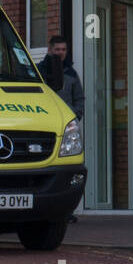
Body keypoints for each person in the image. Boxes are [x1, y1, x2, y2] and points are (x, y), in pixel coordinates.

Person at [48, 35, 83, 222]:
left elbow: (79, 98)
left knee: (68, 170)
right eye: (57, 50)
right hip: (48, 127)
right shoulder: (41, 72)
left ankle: (66, 211)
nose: (61, 53)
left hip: (68, 129)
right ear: (50, 50)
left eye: (63, 50)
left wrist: (75, 118)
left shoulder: (71, 74)